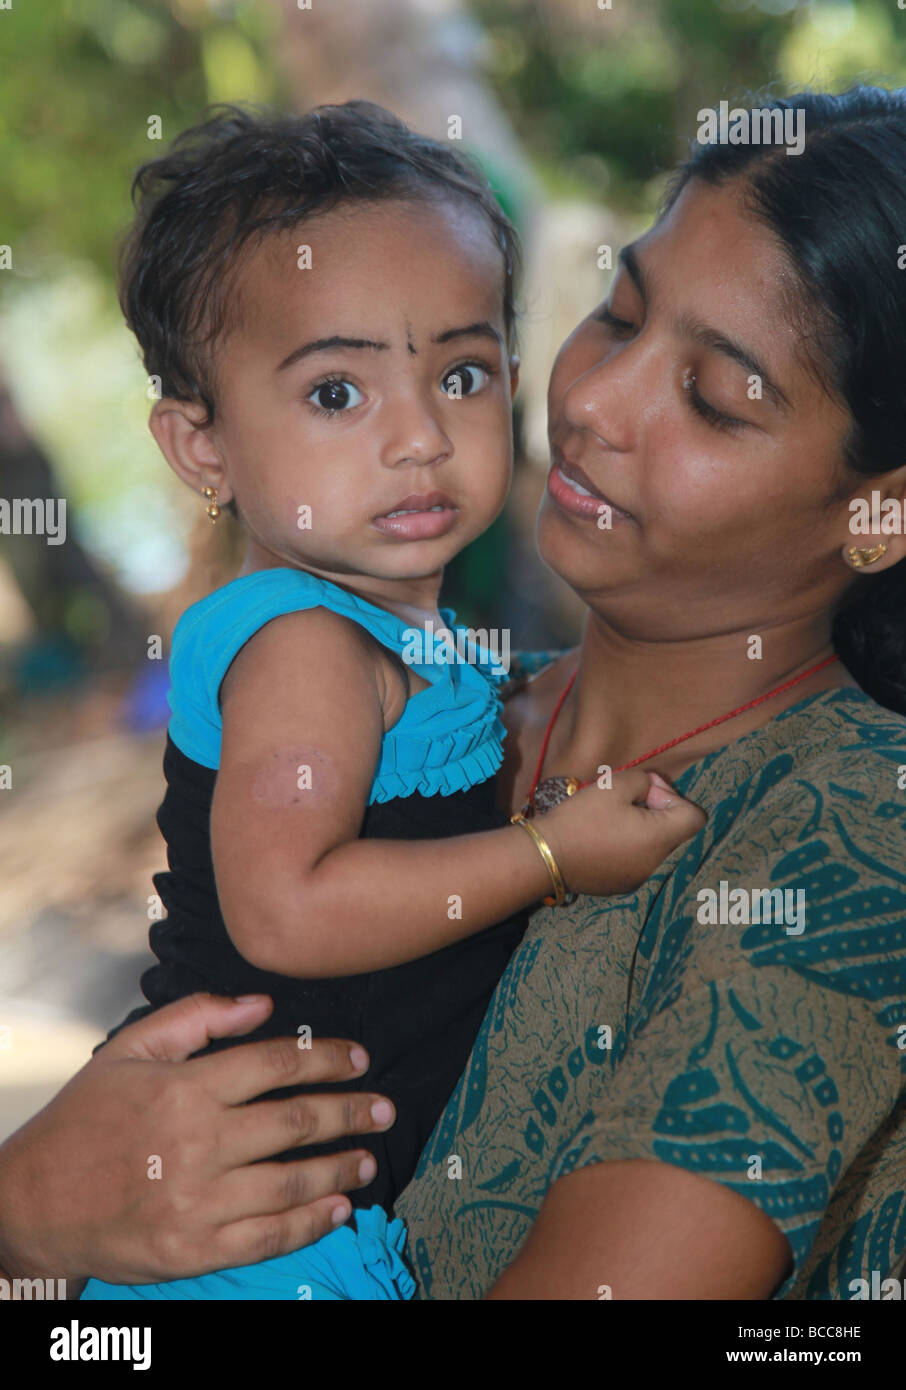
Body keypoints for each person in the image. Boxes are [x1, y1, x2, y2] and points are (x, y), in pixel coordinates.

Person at [2, 83, 906, 1302]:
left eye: (711, 398)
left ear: (879, 509)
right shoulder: (438, 710)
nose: (589, 402)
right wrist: (30, 1214)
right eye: (618, 311)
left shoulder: (854, 829)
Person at [75, 102, 701, 1301]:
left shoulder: (390, 629)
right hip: (258, 1224)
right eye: (334, 395)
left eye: (459, 373)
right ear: (201, 449)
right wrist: (549, 855)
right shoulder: (306, 645)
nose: (418, 436)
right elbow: (289, 910)